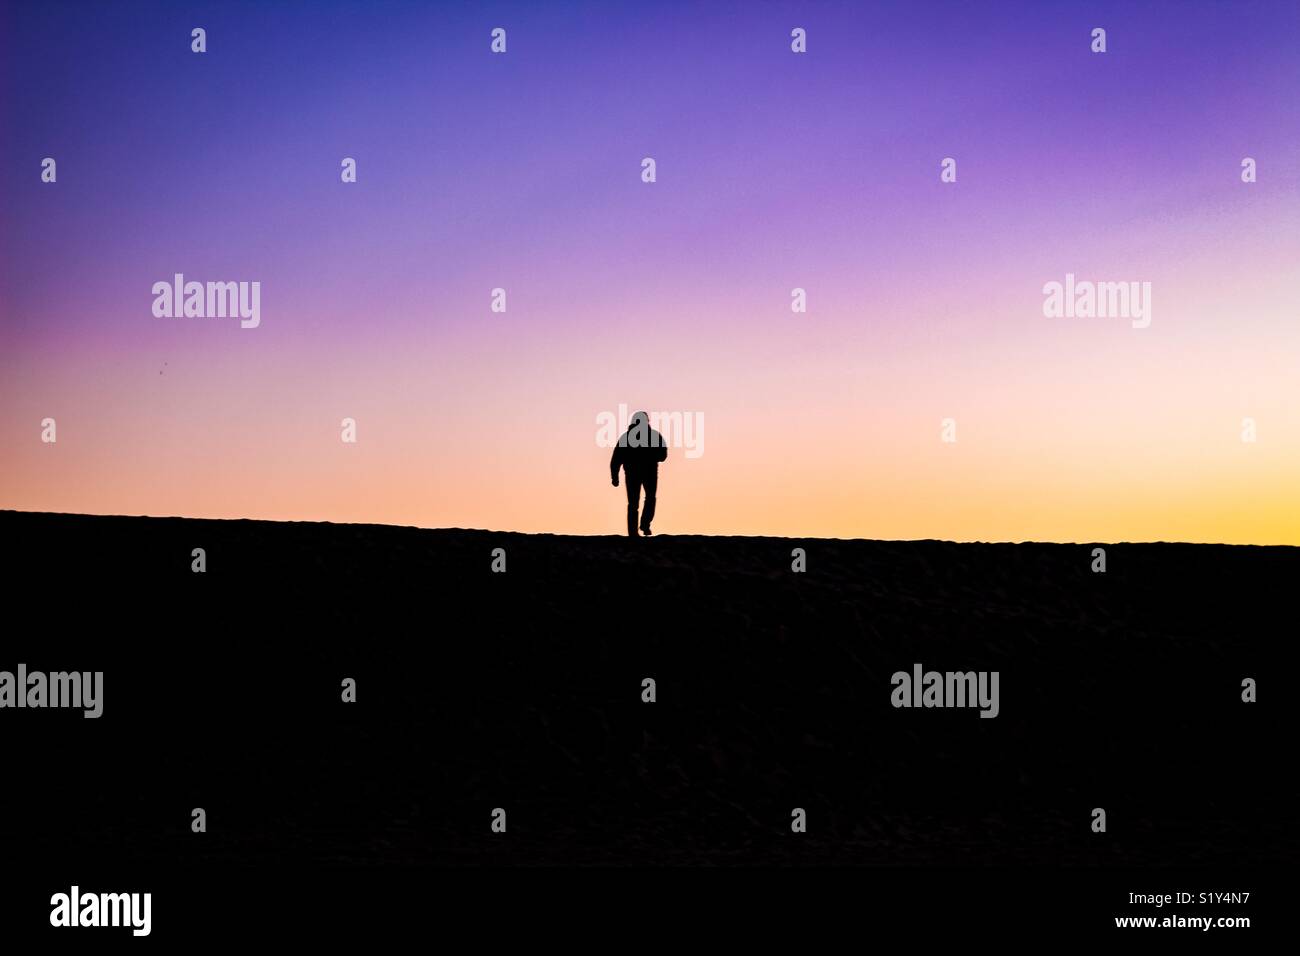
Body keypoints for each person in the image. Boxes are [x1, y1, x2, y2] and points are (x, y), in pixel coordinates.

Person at [609, 410, 668, 537]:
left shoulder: (629, 437)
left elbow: (616, 459)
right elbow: (616, 458)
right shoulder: (653, 436)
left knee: (637, 502)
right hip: (645, 473)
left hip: (639, 474)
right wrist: (614, 476)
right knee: (645, 500)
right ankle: (641, 527)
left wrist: (615, 477)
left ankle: (637, 529)